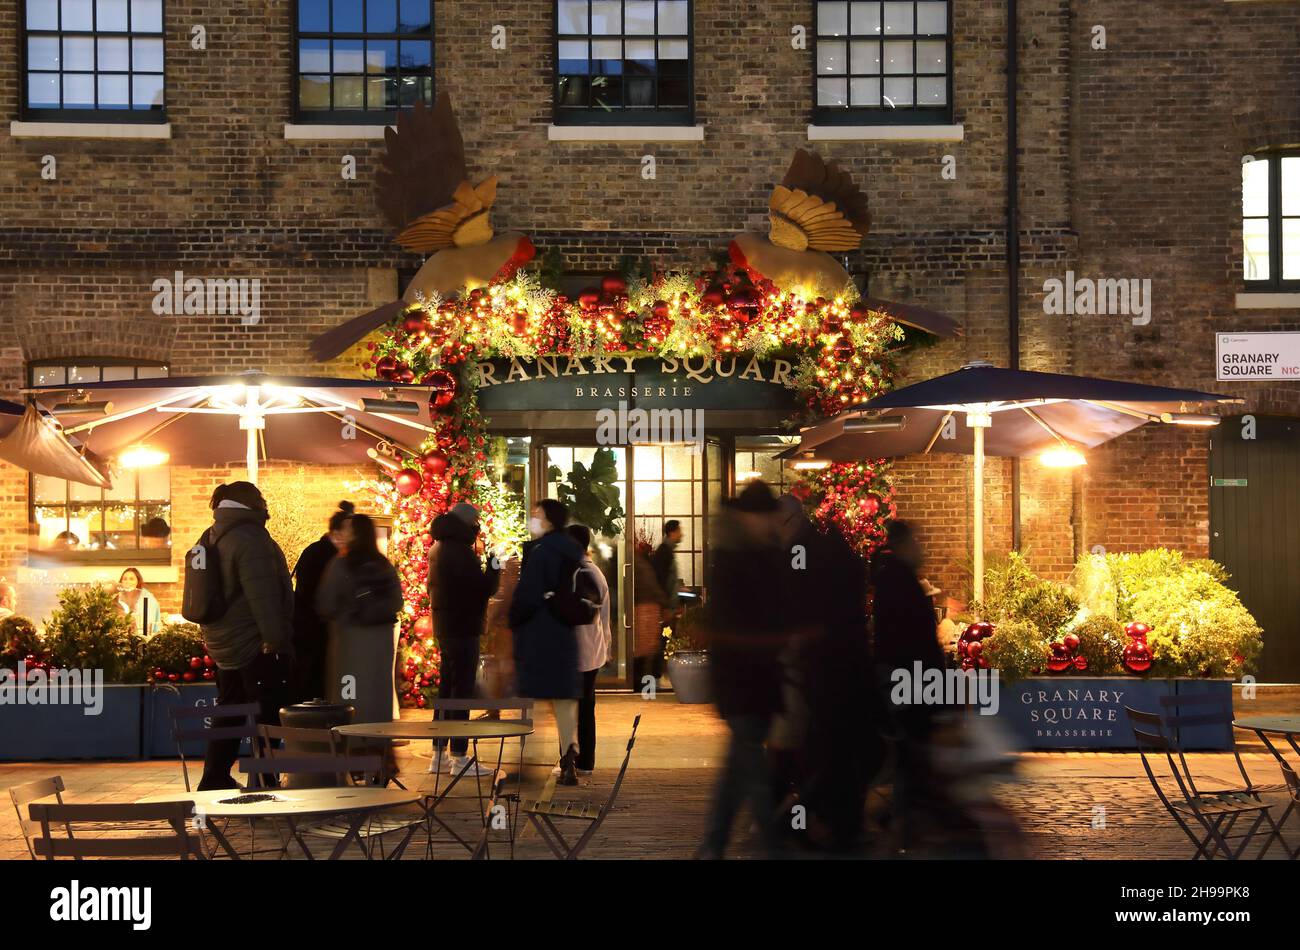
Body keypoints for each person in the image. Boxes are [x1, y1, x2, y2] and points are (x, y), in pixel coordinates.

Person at [699, 481, 791, 859]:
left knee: (740, 769)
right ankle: (772, 846)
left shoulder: (748, 556)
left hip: (750, 684)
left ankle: (714, 845)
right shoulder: (741, 561)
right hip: (745, 682)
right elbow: (733, 628)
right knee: (753, 772)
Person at [191, 481, 294, 791]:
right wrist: (276, 641)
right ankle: (264, 781)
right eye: (261, 498)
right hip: (254, 643)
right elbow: (263, 596)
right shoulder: (250, 538)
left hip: (225, 642)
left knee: (230, 711)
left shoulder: (211, 534)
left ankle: (215, 777)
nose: (265, 504)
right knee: (266, 716)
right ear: (249, 502)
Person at [870, 519, 945, 852]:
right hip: (910, 679)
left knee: (909, 754)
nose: (921, 549)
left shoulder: (893, 578)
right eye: (916, 543)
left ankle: (900, 819)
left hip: (907, 677)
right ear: (903, 544)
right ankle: (901, 820)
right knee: (912, 751)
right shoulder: (899, 581)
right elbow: (914, 639)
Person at [316, 514, 403, 775]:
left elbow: (326, 603)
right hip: (380, 643)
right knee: (378, 696)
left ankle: (351, 757)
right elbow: (396, 601)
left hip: (349, 642)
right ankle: (379, 757)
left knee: (349, 696)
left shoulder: (341, 565)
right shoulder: (383, 565)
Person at [509, 499, 583, 786]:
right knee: (564, 702)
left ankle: (526, 762)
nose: (532, 519)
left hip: (540, 633)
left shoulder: (542, 552)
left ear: (550, 520)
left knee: (530, 701)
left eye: (537, 515)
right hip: (564, 634)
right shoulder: (572, 551)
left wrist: (514, 620)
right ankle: (568, 760)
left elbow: (527, 595)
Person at [427, 501, 501, 776]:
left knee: (447, 689)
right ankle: (459, 756)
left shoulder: (439, 547)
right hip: (463, 627)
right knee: (461, 692)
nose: (478, 528)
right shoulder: (459, 551)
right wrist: (494, 565)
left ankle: (438, 755)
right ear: (468, 524)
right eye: (476, 523)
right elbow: (483, 589)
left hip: (446, 627)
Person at [291, 501, 353, 702]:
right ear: (337, 533)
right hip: (313, 631)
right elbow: (310, 594)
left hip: (314, 629)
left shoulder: (318, 552)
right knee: (315, 685)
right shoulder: (325, 555)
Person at [567, 523, 611, 775]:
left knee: (572, 708)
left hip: (577, 649)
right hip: (593, 649)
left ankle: (572, 763)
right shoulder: (596, 573)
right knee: (585, 707)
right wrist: (607, 646)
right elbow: (605, 616)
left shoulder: (576, 573)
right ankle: (585, 760)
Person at [631, 545, 668, 688]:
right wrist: (664, 602)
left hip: (642, 608)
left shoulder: (637, 562)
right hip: (646, 609)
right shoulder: (640, 563)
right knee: (647, 651)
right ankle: (646, 688)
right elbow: (652, 586)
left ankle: (641, 685)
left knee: (643, 650)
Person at [116, 567, 160, 636]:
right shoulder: (117, 597)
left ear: (138, 581)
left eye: (131, 579)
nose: (128, 582)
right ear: (121, 582)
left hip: (142, 636)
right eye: (125, 579)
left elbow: (149, 624)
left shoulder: (147, 598)